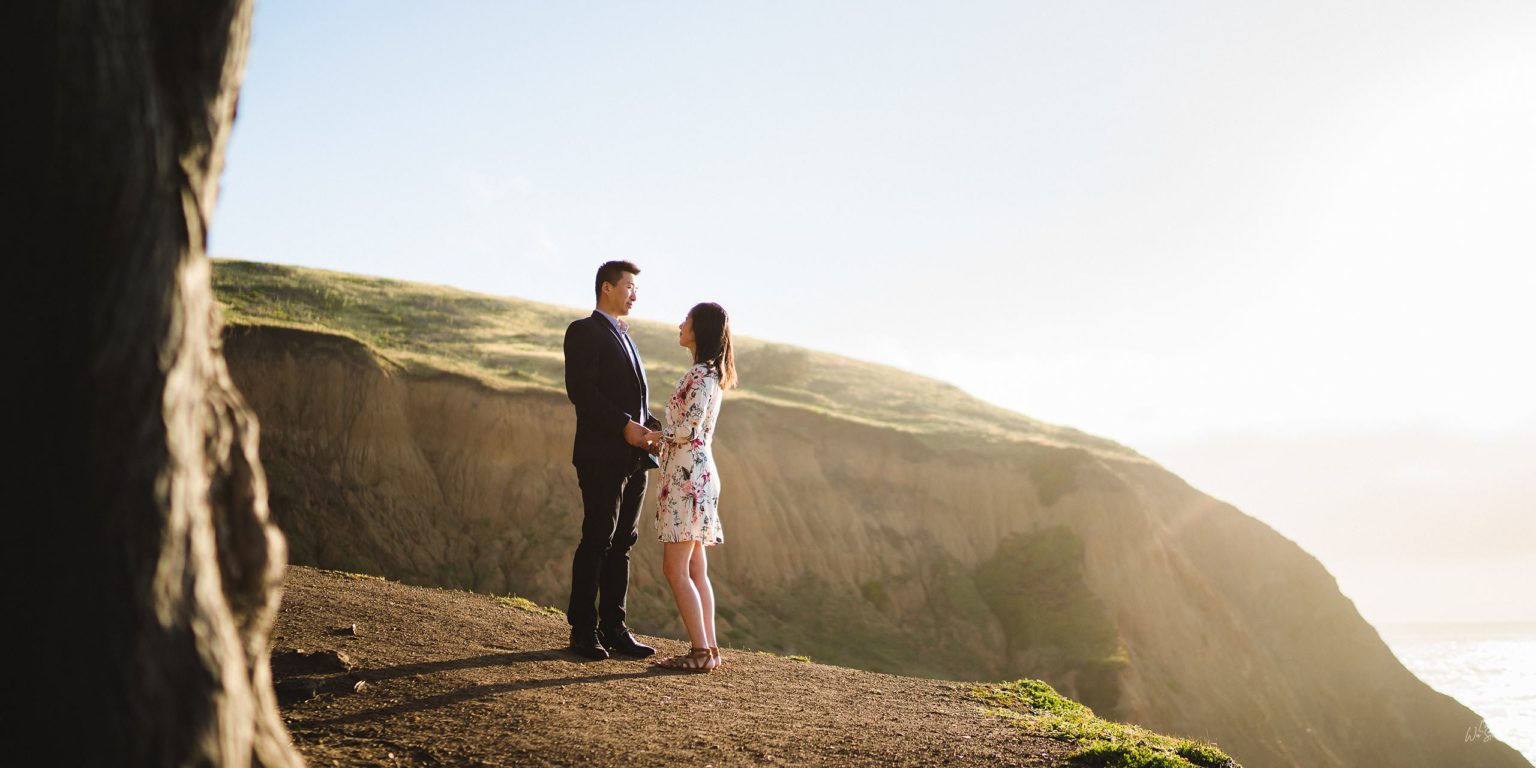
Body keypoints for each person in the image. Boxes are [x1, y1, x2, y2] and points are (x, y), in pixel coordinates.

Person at [561, 261, 663, 660]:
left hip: (634, 459)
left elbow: (634, 401)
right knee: (598, 539)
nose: (634, 295)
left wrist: (651, 428)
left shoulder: (626, 337)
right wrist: (624, 426)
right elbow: (582, 393)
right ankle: (583, 630)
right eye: (629, 287)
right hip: (601, 455)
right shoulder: (583, 331)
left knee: (623, 543)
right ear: (607, 288)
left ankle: (614, 627)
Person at [649, 302, 737, 672]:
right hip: (695, 476)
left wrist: (652, 436)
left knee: (676, 569)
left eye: (686, 320)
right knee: (696, 569)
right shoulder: (709, 374)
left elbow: (689, 430)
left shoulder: (701, 376)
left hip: (689, 479)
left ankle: (701, 651)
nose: (680, 324)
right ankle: (709, 650)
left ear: (699, 329)